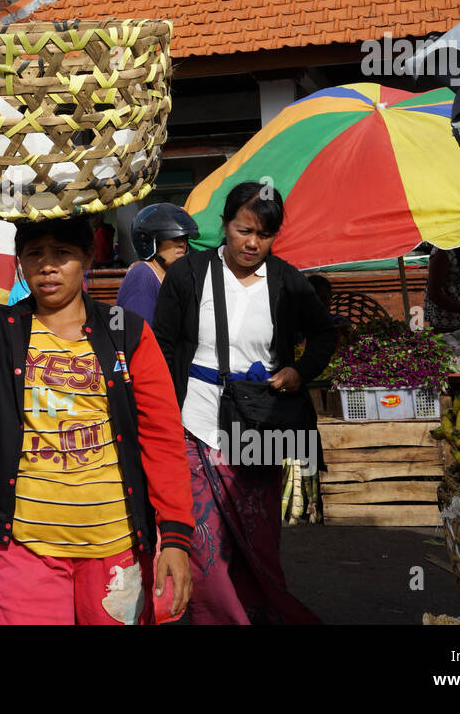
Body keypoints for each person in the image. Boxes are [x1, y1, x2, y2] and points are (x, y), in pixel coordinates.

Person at [0, 200, 194, 625]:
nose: (47, 267)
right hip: (26, 546)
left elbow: (162, 437)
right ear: (20, 263)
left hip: (114, 543)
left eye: (62, 254)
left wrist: (175, 535)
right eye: (34, 255)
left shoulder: (127, 331)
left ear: (88, 259)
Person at [152, 181, 335, 624]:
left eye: (264, 235)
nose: (252, 243)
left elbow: (325, 333)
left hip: (261, 424)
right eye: (243, 230)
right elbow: (161, 344)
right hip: (193, 421)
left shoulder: (288, 281)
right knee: (204, 548)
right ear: (225, 225)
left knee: (258, 541)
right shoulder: (188, 274)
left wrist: (299, 371)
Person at [116, 203, 199, 323]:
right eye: (174, 237)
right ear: (150, 241)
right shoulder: (142, 277)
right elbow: (140, 336)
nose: (182, 244)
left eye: (185, 238)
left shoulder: (172, 275)